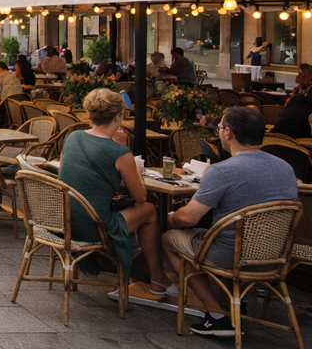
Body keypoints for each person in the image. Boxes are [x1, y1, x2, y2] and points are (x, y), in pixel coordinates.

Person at [162, 106, 298, 337]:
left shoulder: (221, 171)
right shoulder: (286, 168)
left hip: (230, 256)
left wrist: (172, 217)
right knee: (227, 236)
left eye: (220, 127)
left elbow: (188, 218)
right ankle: (239, 301)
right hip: (275, 257)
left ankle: (216, 315)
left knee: (168, 239)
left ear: (228, 133)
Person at [59, 89, 175, 297]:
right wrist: (129, 159)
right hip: (93, 225)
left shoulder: (72, 136)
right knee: (148, 210)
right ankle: (158, 278)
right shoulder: (119, 152)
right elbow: (140, 197)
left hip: (64, 219)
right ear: (117, 116)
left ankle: (142, 269)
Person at [273, 63, 312, 139]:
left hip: (297, 127)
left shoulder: (309, 91)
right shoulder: (301, 88)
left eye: (300, 73)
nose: (298, 75)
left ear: (305, 75)